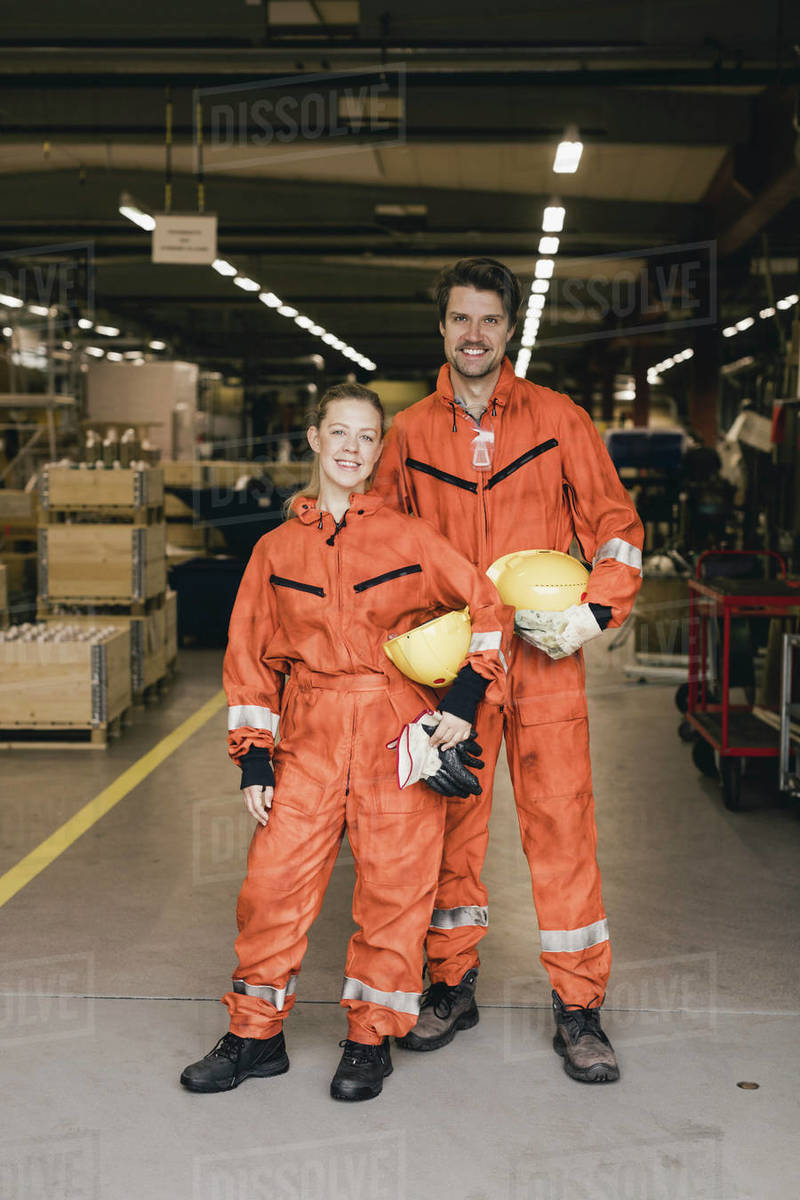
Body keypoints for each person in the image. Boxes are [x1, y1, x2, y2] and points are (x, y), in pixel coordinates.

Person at [180, 382, 508, 1102]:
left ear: (377, 447)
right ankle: (254, 1036)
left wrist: (460, 699)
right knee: (271, 888)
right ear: (313, 439)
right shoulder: (273, 550)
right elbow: (249, 661)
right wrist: (254, 760)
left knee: (393, 893)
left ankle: (369, 1039)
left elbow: (489, 607)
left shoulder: (409, 537)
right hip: (309, 732)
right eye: (340, 433)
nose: (353, 448)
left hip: (395, 729)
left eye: (367, 436)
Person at [372, 258, 644, 1083]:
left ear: (511, 329)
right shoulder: (411, 433)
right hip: (457, 668)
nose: (475, 334)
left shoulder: (561, 419)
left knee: (563, 830)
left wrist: (593, 612)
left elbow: (615, 527)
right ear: (442, 329)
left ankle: (579, 1008)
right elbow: (382, 547)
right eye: (461, 319)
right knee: (450, 828)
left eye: (489, 319)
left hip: (544, 660)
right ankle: (451, 985)